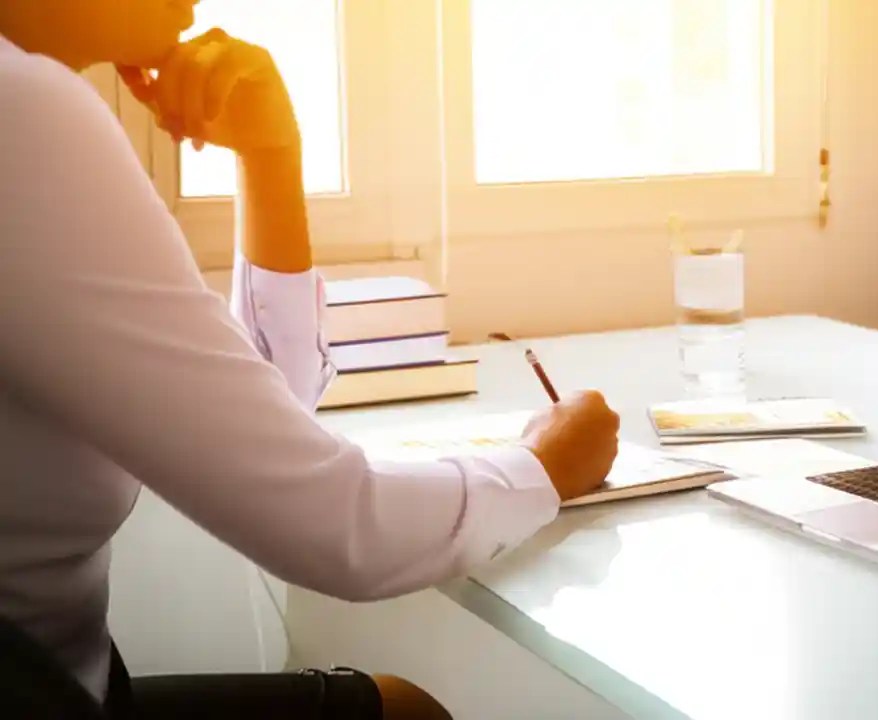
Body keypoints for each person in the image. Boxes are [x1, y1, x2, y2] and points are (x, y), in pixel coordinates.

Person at [0, 1, 620, 717]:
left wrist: (269, 154)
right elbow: (335, 528)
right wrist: (544, 465)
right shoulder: (24, 113)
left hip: (69, 685)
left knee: (403, 707)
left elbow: (268, 429)